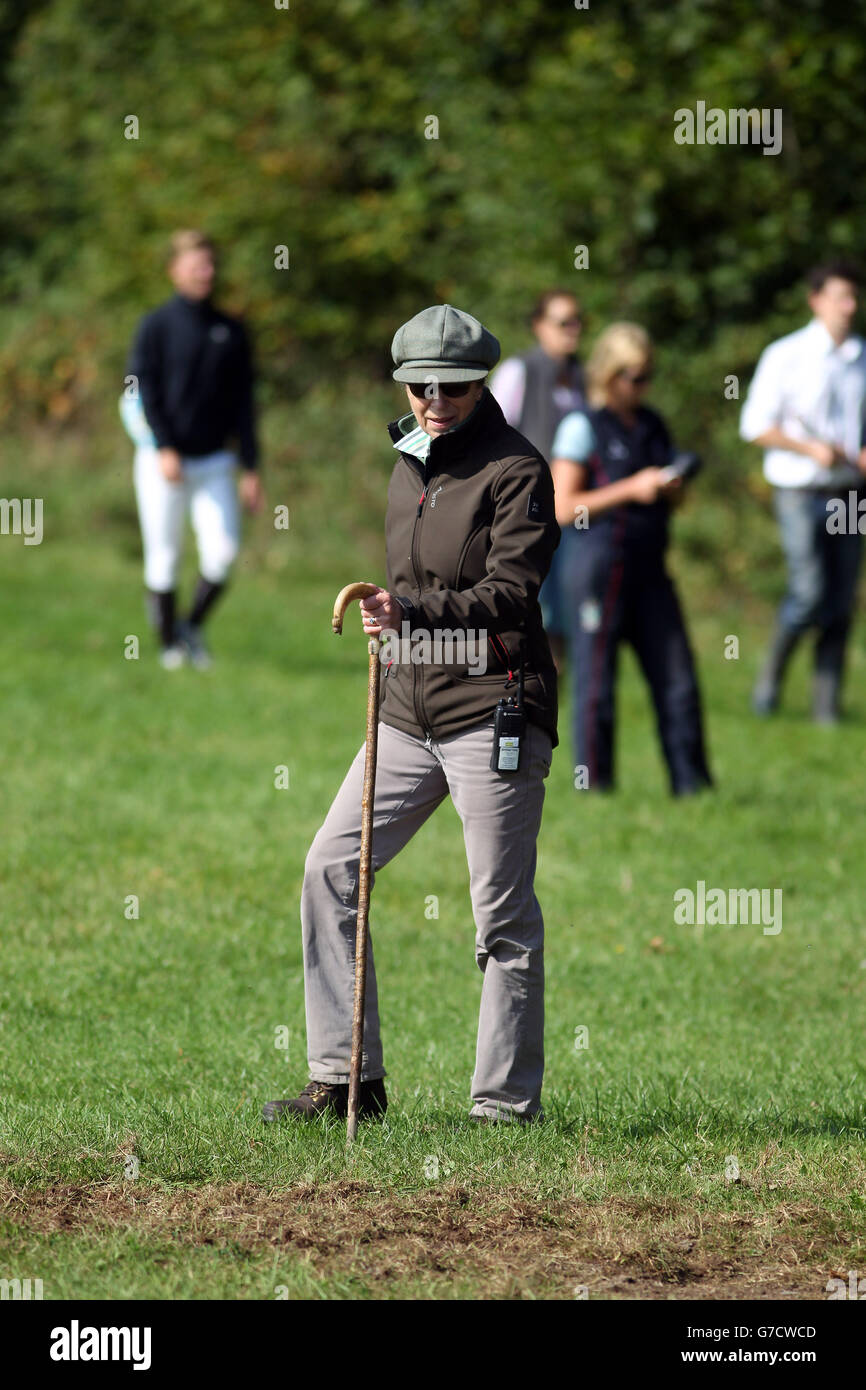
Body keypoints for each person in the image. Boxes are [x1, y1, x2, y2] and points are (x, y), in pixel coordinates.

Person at [263, 304, 560, 1126]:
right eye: (420, 384)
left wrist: (412, 613)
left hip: (492, 705)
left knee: (501, 915)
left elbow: (512, 593)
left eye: (452, 386)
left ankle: (503, 1108)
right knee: (330, 868)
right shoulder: (409, 459)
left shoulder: (518, 471)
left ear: (479, 383)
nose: (435, 398)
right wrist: (402, 628)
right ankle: (346, 1079)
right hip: (405, 708)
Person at [550, 323, 712, 795]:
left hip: (650, 567)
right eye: (633, 377)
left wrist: (671, 489)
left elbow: (663, 498)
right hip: (598, 566)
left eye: (648, 377)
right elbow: (563, 507)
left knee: (678, 677)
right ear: (609, 375)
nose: (642, 387)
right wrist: (631, 489)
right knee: (597, 683)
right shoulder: (581, 426)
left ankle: (693, 787)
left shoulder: (653, 424)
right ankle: (595, 788)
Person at [120, 229, 262, 670]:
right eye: (197, 264)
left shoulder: (232, 329)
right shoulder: (156, 325)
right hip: (163, 460)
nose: (207, 272)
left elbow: (244, 403)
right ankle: (169, 649)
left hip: (215, 461)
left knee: (223, 551)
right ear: (175, 270)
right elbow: (142, 389)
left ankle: (189, 627)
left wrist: (252, 467)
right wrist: (164, 447)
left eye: (211, 264)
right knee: (164, 555)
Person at [739, 260, 866, 723]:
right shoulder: (786, 354)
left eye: (854, 298)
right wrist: (808, 448)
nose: (849, 307)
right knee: (809, 593)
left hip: (851, 494)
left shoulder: (861, 357)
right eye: (840, 297)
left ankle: (826, 709)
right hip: (798, 491)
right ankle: (769, 685)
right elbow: (754, 425)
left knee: (841, 601)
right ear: (816, 300)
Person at [490, 289, 585, 672]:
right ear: (539, 326)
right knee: (534, 596)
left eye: (578, 321)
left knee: (566, 602)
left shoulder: (583, 375)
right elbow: (493, 433)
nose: (574, 330)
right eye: (564, 322)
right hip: (527, 509)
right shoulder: (519, 371)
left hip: (576, 511)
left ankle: (556, 679)